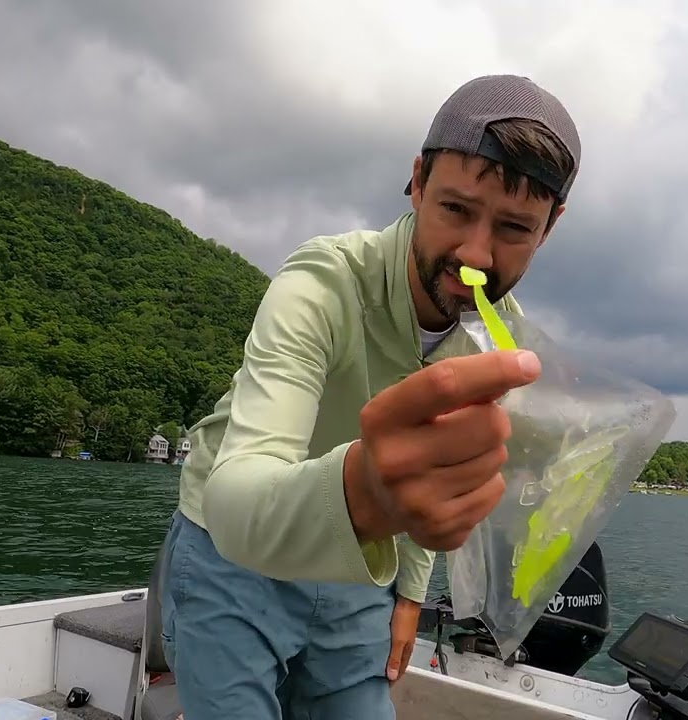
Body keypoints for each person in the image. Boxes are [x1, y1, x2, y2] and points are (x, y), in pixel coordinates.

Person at [159, 74, 582, 719]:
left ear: (550, 227)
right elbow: (235, 496)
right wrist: (365, 491)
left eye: (514, 228)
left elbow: (438, 478)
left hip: (361, 571)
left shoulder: (501, 344)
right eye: (455, 209)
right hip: (225, 554)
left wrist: (410, 596)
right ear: (416, 180)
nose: (475, 253)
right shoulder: (321, 285)